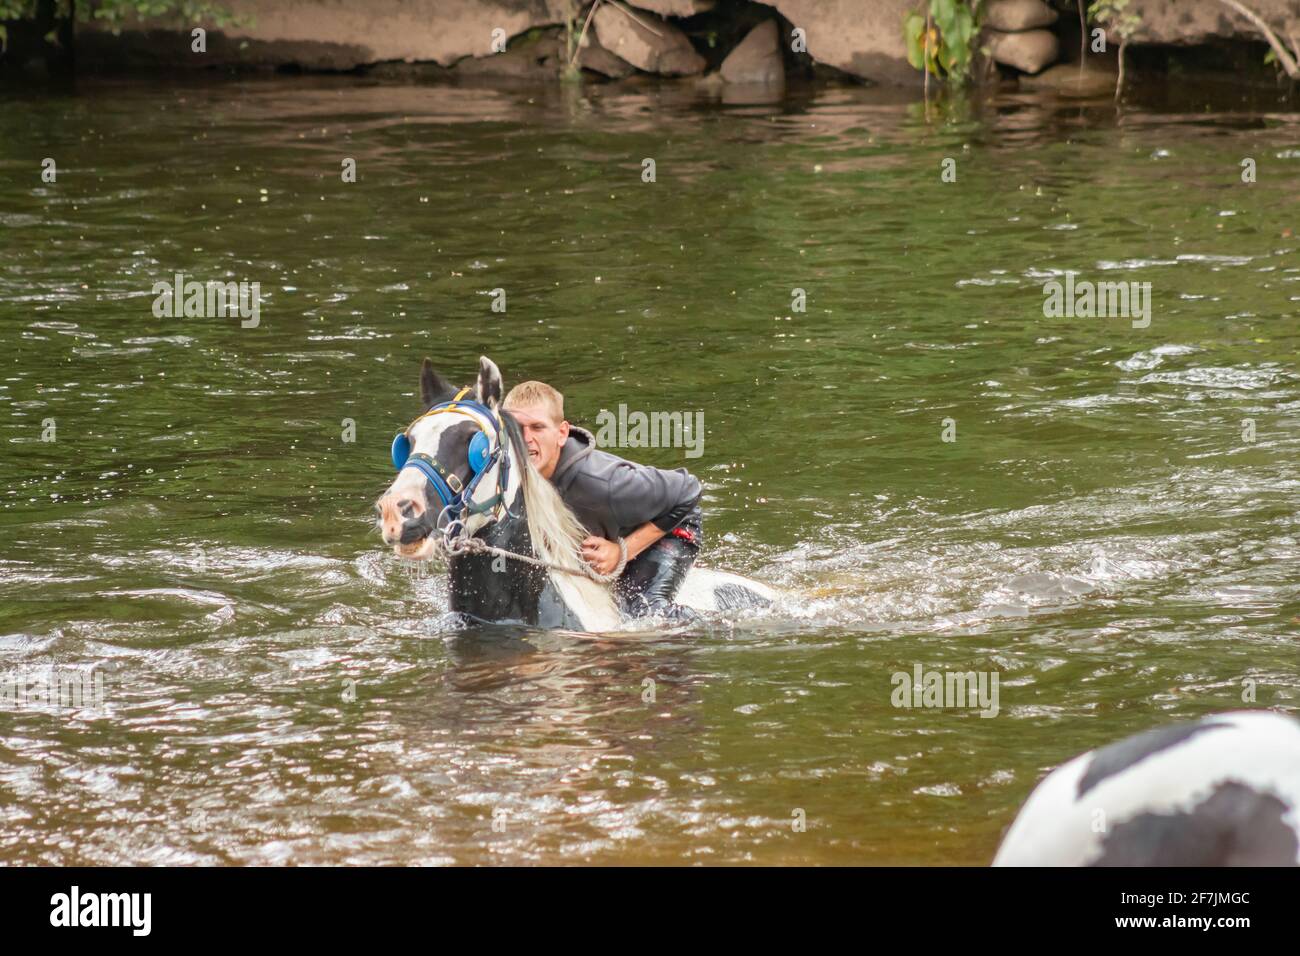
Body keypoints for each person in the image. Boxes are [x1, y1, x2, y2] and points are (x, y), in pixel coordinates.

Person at [502, 381, 701, 620]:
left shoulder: (605, 482)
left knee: (641, 614)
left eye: (537, 427)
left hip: (671, 531)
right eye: (516, 427)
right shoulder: (500, 477)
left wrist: (622, 552)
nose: (525, 438)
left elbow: (689, 490)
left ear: (562, 433)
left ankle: (706, 626)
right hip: (602, 537)